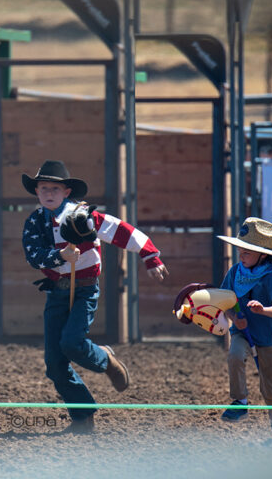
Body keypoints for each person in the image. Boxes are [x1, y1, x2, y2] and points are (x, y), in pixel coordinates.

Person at [21, 160, 168, 434]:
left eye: (55, 188)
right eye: (43, 188)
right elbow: (33, 255)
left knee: (73, 343)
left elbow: (120, 230)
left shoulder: (82, 215)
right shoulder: (34, 221)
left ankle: (106, 359)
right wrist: (59, 256)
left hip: (84, 289)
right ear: (37, 192)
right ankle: (82, 417)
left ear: (66, 192)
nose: (49, 193)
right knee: (54, 364)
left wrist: (150, 255)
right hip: (56, 292)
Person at [216, 217, 272, 444]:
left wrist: (262, 309)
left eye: (247, 251)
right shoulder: (234, 272)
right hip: (242, 332)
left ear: (262, 254)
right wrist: (234, 319)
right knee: (235, 356)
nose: (242, 254)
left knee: (270, 389)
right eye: (241, 249)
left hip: (267, 337)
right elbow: (225, 303)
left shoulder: (271, 276)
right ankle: (240, 402)